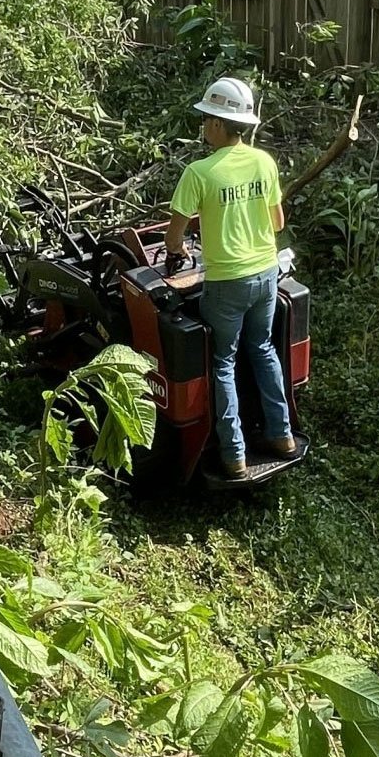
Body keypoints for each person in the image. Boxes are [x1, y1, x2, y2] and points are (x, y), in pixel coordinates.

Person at [163, 76, 298, 480]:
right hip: (266, 275)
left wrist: (179, 250)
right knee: (263, 348)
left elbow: (174, 235)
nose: (204, 126)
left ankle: (234, 455)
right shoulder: (264, 162)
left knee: (222, 361)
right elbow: (277, 223)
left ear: (221, 124)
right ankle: (282, 435)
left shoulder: (199, 173)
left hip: (227, 283)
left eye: (207, 119)